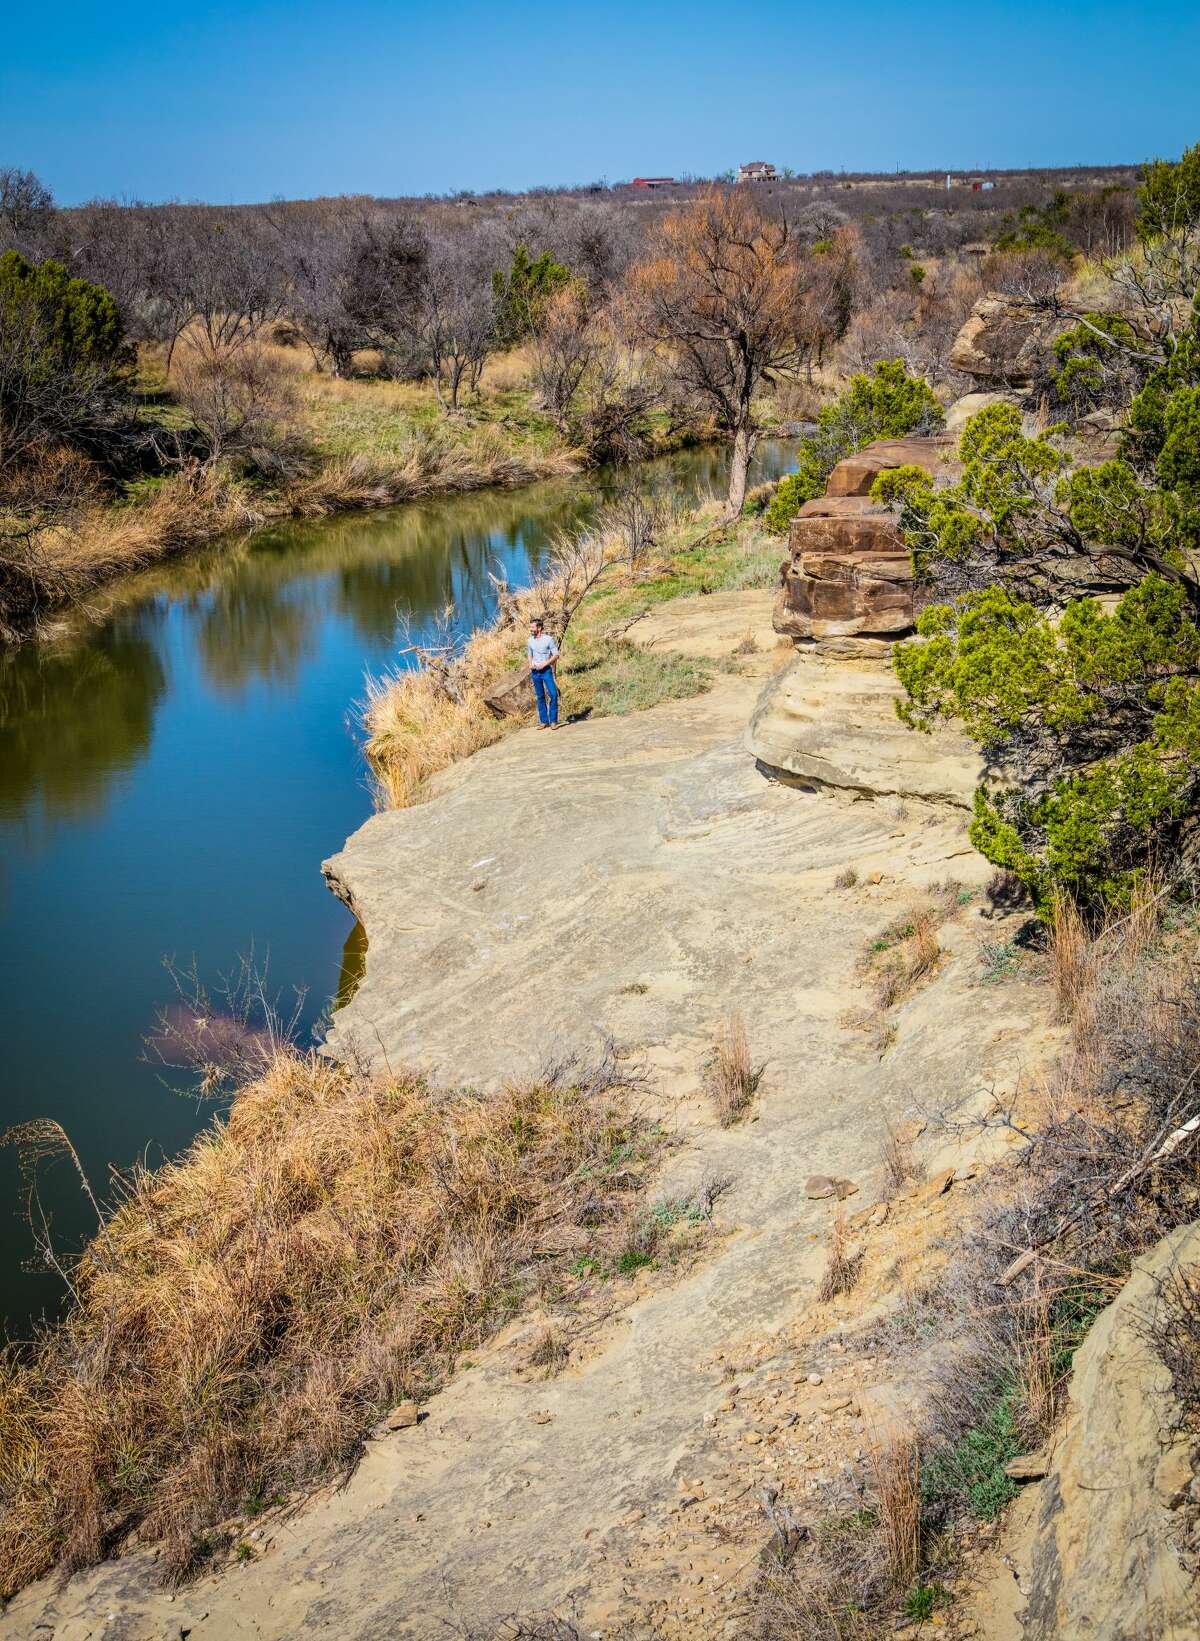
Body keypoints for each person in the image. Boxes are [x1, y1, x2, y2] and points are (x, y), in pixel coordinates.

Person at [527, 617, 561, 730]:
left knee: (553, 694)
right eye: (530, 626)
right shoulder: (530, 640)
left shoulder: (549, 639)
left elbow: (556, 655)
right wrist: (530, 663)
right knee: (540, 696)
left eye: (532, 627)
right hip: (535, 672)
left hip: (546, 671)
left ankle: (553, 721)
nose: (530, 628)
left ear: (539, 628)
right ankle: (544, 721)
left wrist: (545, 664)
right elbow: (529, 654)